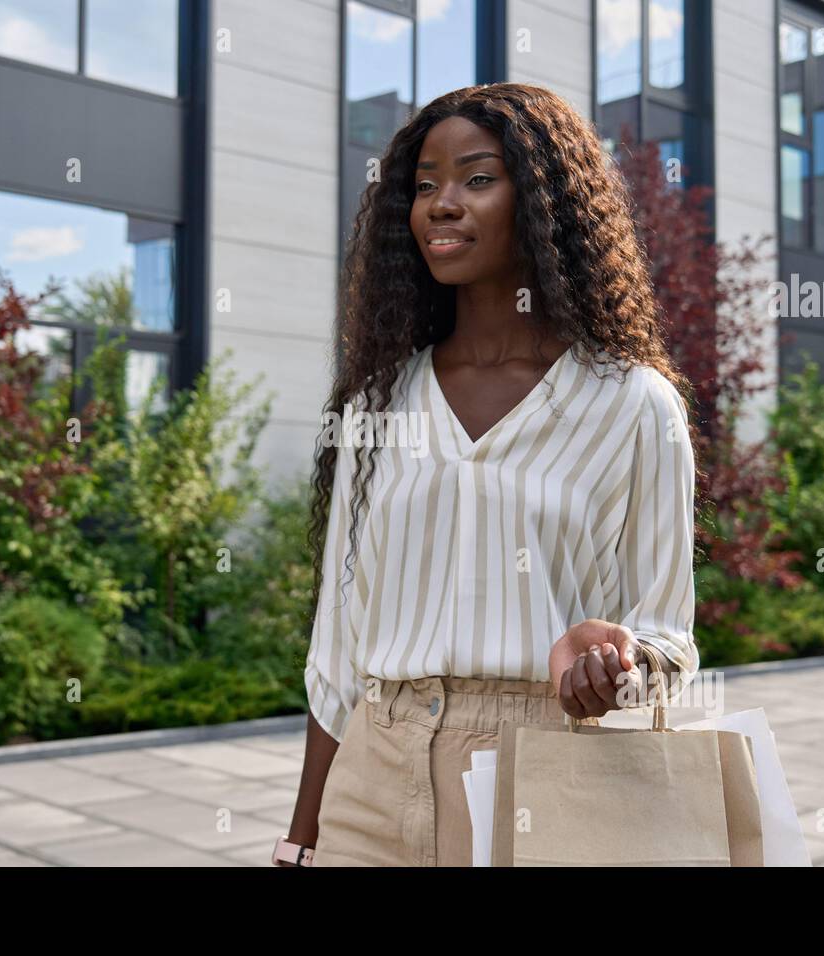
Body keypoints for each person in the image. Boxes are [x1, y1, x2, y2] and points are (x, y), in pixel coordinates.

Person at [271, 83, 700, 868]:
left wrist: (615, 668)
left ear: (543, 200)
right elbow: (336, 651)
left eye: (476, 178)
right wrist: (302, 837)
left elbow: (669, 637)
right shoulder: (378, 400)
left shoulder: (634, 404)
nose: (442, 204)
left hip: (542, 777)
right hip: (373, 775)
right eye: (425, 186)